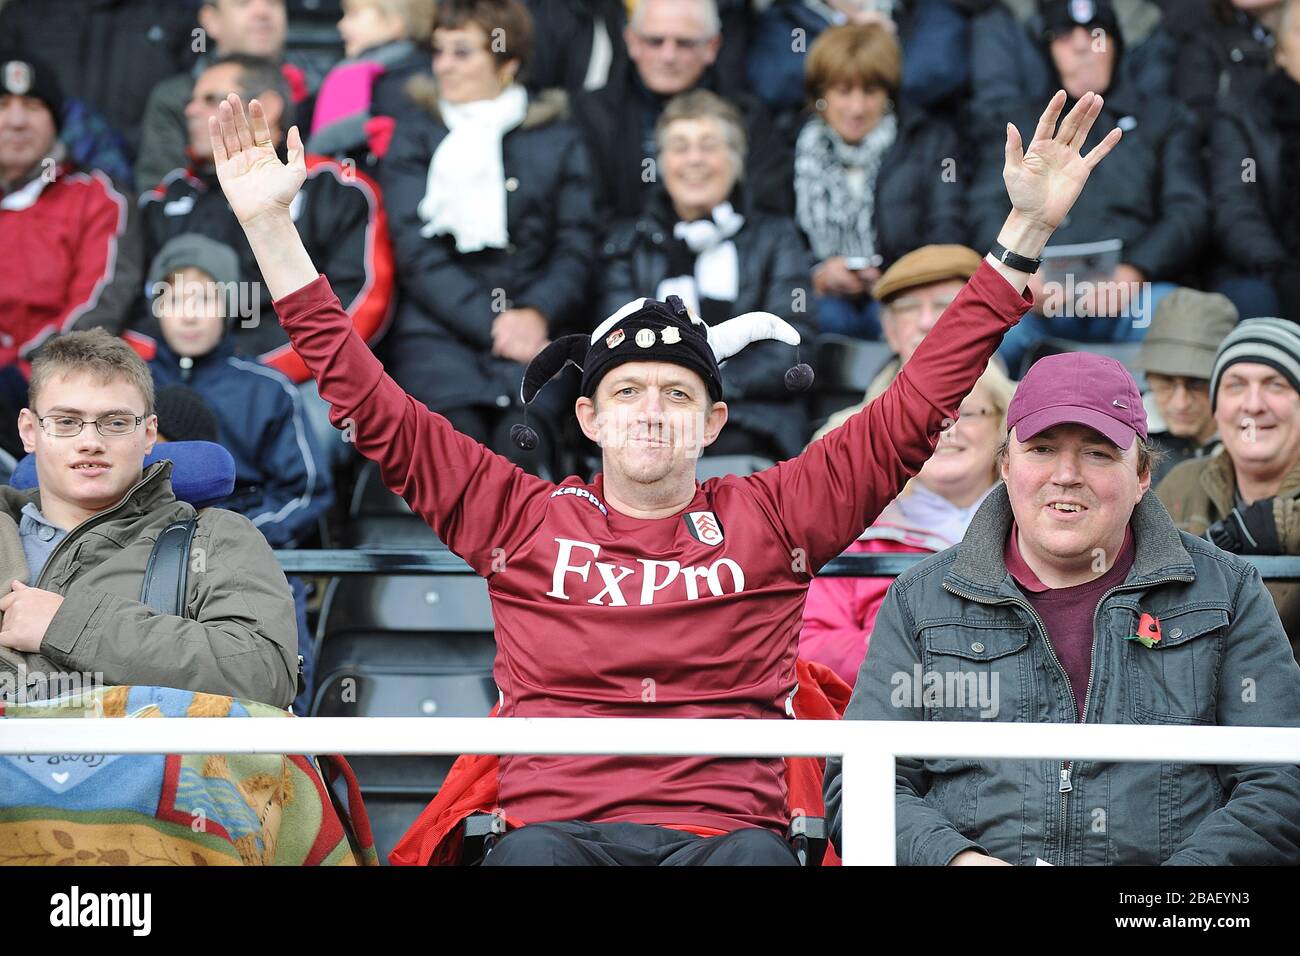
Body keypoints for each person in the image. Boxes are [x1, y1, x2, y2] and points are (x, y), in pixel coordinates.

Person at [206, 81, 1120, 862]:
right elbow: (373, 406)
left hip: (731, 838)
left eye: (678, 395)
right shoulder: (521, 517)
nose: (652, 410)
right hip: (553, 831)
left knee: (759, 856)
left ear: (714, 420)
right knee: (530, 856)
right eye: (629, 392)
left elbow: (916, 403)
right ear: (590, 418)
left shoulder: (776, 511)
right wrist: (272, 235)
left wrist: (1025, 230)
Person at [825, 349, 1300, 864]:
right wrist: (958, 862)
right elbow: (860, 783)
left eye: (1098, 452)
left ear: (1142, 476)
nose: (1066, 474)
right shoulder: (921, 598)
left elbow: (1281, 783)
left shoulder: (1227, 591)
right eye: (1043, 448)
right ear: (1006, 465)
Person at [0, 329, 299, 708]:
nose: (90, 441)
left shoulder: (213, 537)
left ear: (148, 434)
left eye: (116, 422)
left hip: (140, 765)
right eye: (67, 421)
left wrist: (70, 625)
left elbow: (265, 673)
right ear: (30, 431)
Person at [135, 54, 393, 466]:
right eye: (192, 100)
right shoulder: (167, 199)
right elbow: (136, 308)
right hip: (176, 375)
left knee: (303, 426)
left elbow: (360, 304)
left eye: (210, 100)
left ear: (267, 107)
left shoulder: (336, 187)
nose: (190, 110)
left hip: (299, 376)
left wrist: (247, 373)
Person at [378, 0, 597, 478]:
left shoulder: (557, 136)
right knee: (456, 455)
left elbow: (577, 243)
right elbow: (414, 249)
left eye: (461, 52)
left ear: (508, 62)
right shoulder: (417, 132)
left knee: (523, 447)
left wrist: (537, 311)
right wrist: (493, 323)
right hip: (440, 334)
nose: (443, 66)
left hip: (539, 331)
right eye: (438, 51)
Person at [142, 232, 333, 713]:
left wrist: (240, 535)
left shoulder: (266, 388)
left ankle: (294, 753)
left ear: (230, 305)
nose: (187, 313)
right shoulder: (125, 385)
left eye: (204, 298)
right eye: (173, 297)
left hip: (244, 545)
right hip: (137, 542)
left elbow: (306, 489)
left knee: (275, 632)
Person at [970, 0, 1207, 375]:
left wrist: (1135, 271)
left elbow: (1188, 209)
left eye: (1095, 34)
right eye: (1064, 37)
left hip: (1133, 298)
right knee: (978, 335)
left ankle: (1169, 430)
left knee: (1180, 320)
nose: (1081, 46)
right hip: (1036, 300)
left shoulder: (1163, 119)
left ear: (1116, 44)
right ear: (1048, 51)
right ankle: (984, 431)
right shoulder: (1018, 124)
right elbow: (983, 208)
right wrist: (1025, 274)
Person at [598, 90, 816, 464]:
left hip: (751, 418)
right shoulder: (628, 242)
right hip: (646, 418)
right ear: (662, 162)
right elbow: (615, 341)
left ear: (736, 161)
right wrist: (670, 396)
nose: (694, 159)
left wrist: (704, 389)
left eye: (709, 146)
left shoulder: (777, 237)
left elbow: (792, 344)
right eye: (680, 147)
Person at [801, 360, 1015, 685]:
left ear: (1000, 421)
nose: (947, 427)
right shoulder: (853, 528)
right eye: (923, 412)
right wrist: (908, 649)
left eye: (967, 412)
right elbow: (810, 647)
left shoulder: (1040, 521)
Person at [796, 23, 965, 339]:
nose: (857, 108)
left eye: (870, 91)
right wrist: (817, 273)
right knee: (811, 318)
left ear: (888, 93)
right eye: (843, 91)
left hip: (907, 293)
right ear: (821, 95)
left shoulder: (929, 141)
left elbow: (947, 228)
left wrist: (897, 277)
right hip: (823, 296)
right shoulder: (794, 145)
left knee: (898, 322)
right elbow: (777, 232)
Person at [570, 0, 796, 220]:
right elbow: (584, 215)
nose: (669, 56)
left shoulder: (747, 117)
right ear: (632, 42)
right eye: (655, 41)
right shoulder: (591, 115)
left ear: (712, 47)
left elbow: (769, 204)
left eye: (684, 43)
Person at [1157, 319, 1300, 654]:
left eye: (1275, 385)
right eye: (1235, 385)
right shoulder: (1182, 482)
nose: (1253, 405)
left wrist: (1277, 524)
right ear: (1217, 409)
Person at [0, 53, 143, 371]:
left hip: (49, 382)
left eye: (34, 107)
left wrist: (24, 369)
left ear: (56, 122)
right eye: (3, 106)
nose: (17, 121)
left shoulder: (99, 197)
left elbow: (98, 309)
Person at [135, 0, 312, 192]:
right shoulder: (174, 98)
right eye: (243, 3)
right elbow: (162, 200)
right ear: (210, 20)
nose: (262, 12)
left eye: (273, 2)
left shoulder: (316, 88)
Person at [813, 244, 985, 439]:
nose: (926, 322)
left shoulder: (1019, 417)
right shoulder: (838, 437)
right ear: (890, 330)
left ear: (982, 320)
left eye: (945, 304)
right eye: (909, 307)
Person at [0, 0, 199, 160]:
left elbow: (196, 91)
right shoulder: (26, 11)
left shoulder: (179, 12)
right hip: (48, 172)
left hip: (148, 176)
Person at [1206, 0, 1300, 322]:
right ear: (1280, 52)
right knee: (1257, 299)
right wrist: (1278, 267)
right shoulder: (1244, 116)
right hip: (1269, 266)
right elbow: (1236, 205)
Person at [748, 0, 973, 120]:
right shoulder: (785, 15)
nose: (857, 107)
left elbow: (940, 70)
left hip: (915, 153)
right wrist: (848, 42)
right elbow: (774, 82)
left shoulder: (924, 8)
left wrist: (883, 46)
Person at [306, 0, 436, 161]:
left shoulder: (352, 75)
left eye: (354, 14)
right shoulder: (432, 69)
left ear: (395, 21)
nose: (341, 25)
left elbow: (316, 156)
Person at [1135, 288, 1237, 484]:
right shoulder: (1123, 438)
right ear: (1148, 377)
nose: (1181, 403)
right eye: (1166, 382)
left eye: (1198, 383)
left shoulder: (1252, 437)